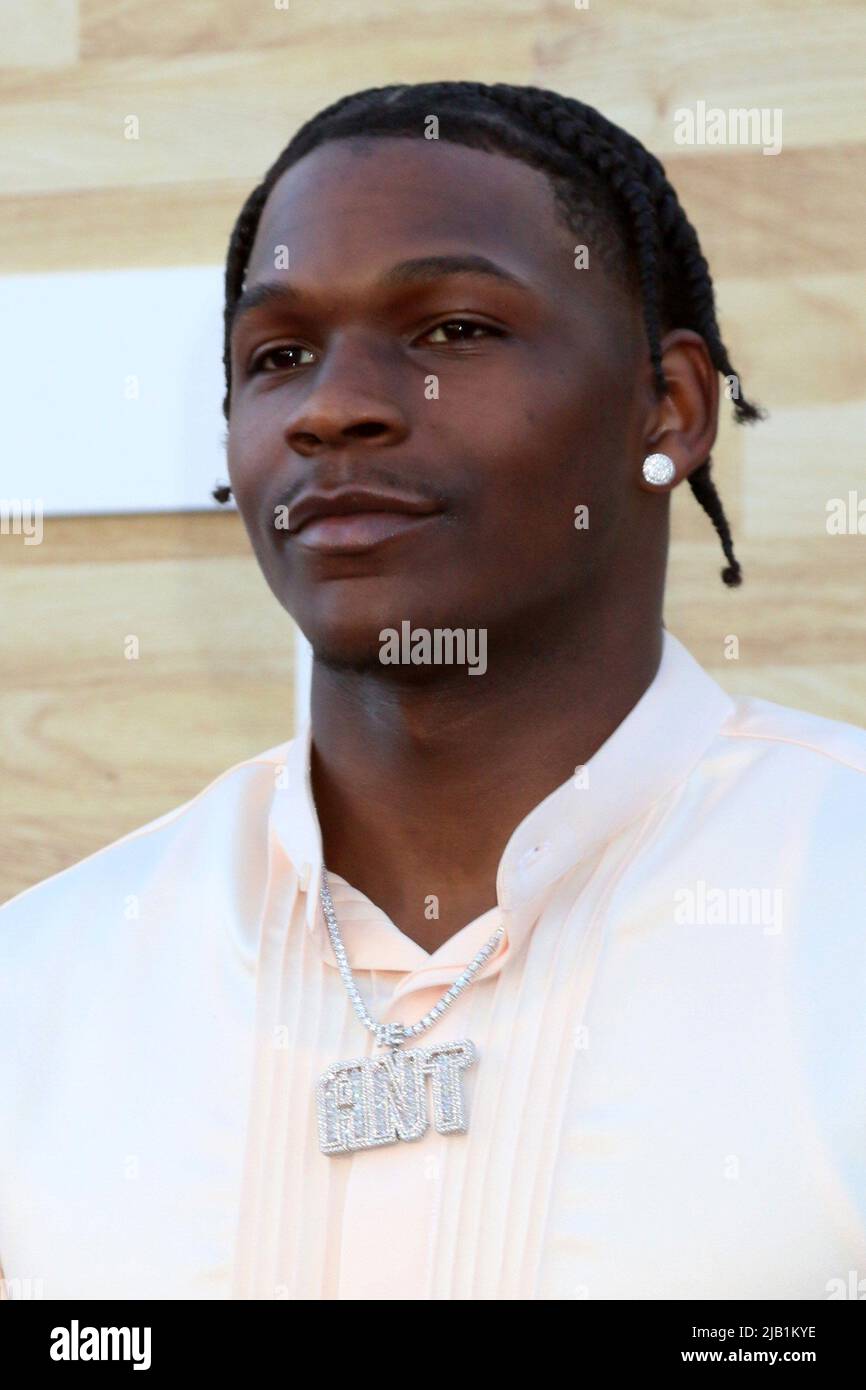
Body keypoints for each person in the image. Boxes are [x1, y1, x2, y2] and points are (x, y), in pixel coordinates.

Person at [2, 81, 864, 1301]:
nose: (331, 406)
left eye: (452, 329)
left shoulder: (838, 907)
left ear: (668, 404)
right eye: (278, 355)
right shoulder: (43, 996)